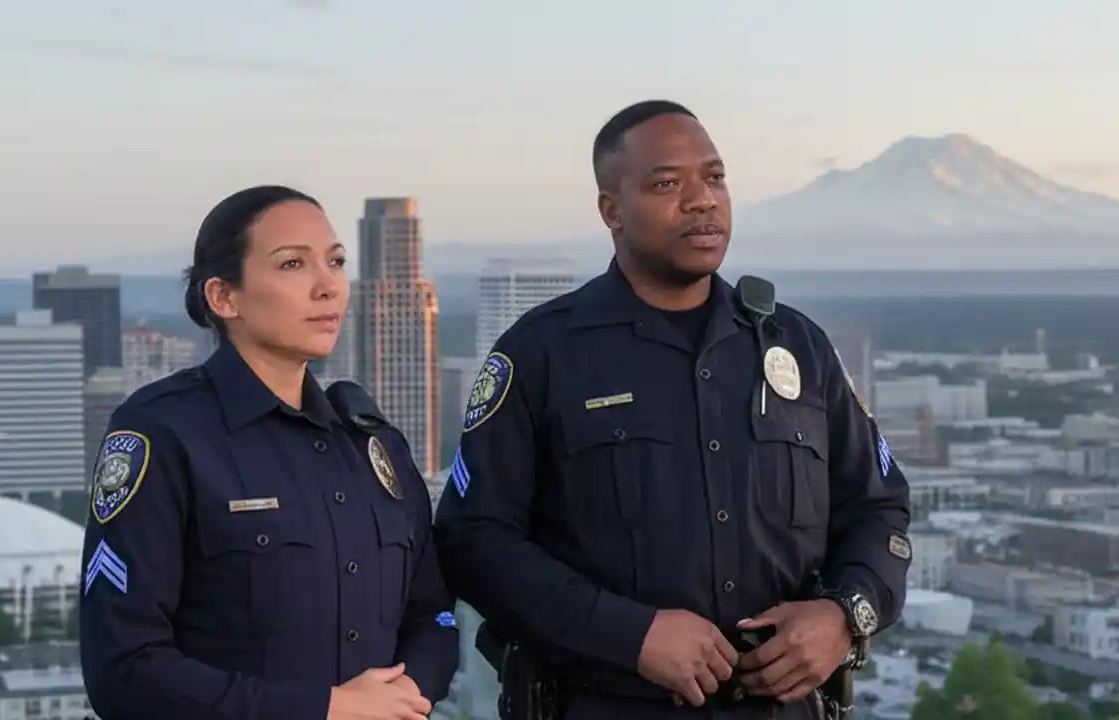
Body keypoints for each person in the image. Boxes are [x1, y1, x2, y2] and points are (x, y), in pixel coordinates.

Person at [433, 101, 912, 720]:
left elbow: (879, 507)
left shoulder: (796, 347)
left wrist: (844, 615)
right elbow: (474, 541)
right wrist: (629, 634)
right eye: (667, 183)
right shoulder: (543, 354)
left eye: (714, 178)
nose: (702, 200)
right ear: (612, 209)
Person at [79, 185, 459, 720]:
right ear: (223, 298)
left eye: (336, 261)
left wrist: (402, 697)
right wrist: (325, 709)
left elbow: (434, 617)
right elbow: (124, 670)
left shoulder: (373, 444)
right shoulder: (163, 433)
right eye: (292, 265)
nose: (328, 286)